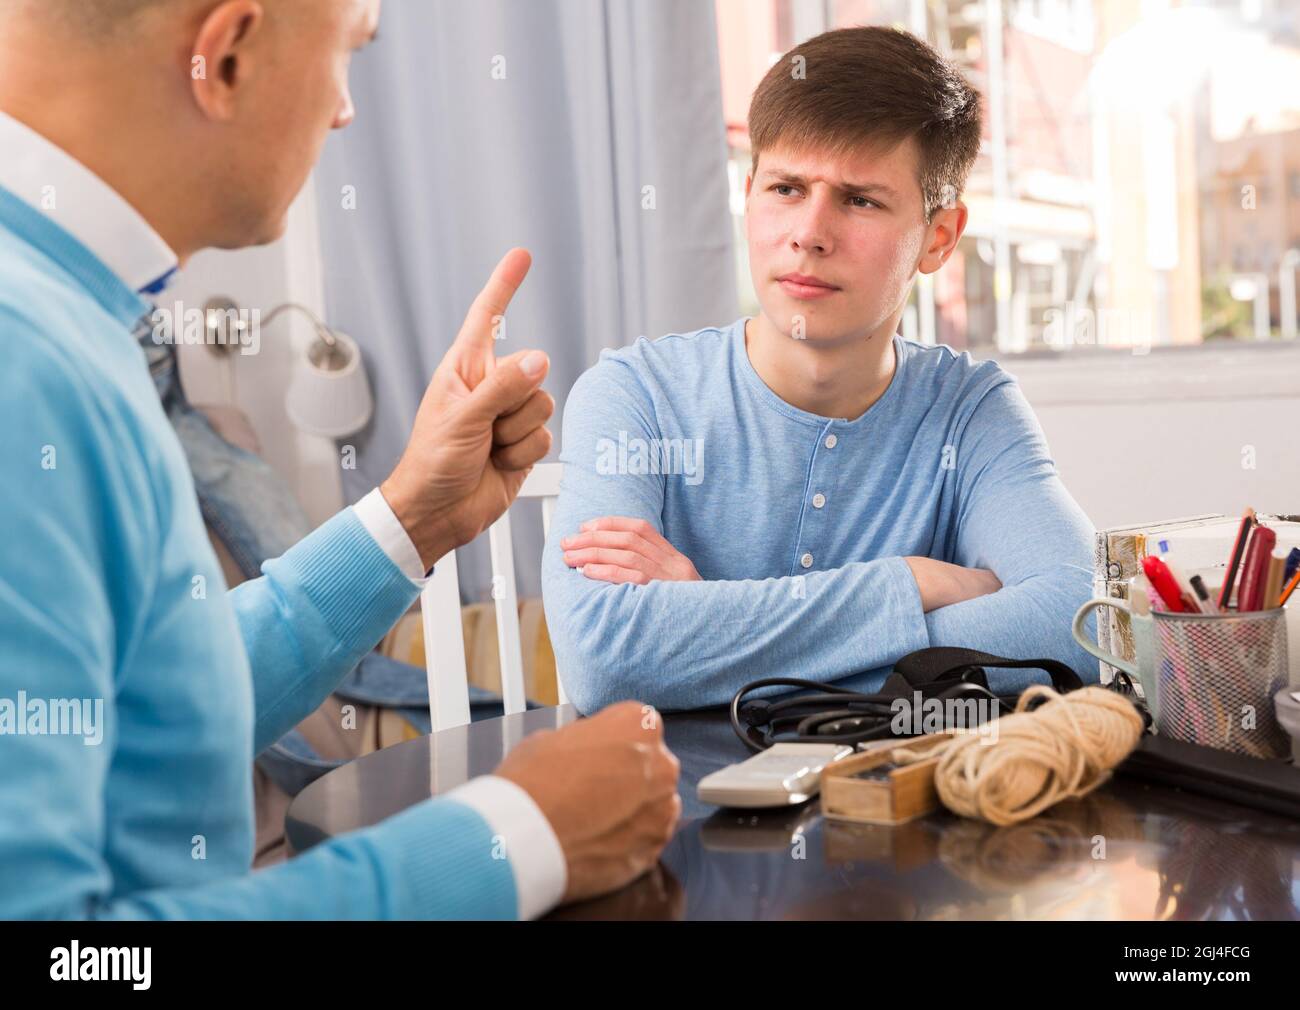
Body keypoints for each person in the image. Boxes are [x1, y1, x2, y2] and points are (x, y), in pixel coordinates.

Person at [0, 0, 679, 920]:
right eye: (346, 55)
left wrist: (415, 517)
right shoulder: (28, 365)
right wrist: (514, 837)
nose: (343, 111)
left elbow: (150, 699)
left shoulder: (60, 317)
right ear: (228, 56)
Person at [542, 25, 1099, 713]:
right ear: (748, 197)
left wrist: (707, 625)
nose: (809, 233)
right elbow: (606, 660)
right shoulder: (634, 396)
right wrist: (911, 583)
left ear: (939, 237)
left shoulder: (971, 409)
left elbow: (1081, 625)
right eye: (784, 188)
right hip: (679, 810)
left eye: (860, 199)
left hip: (907, 809)